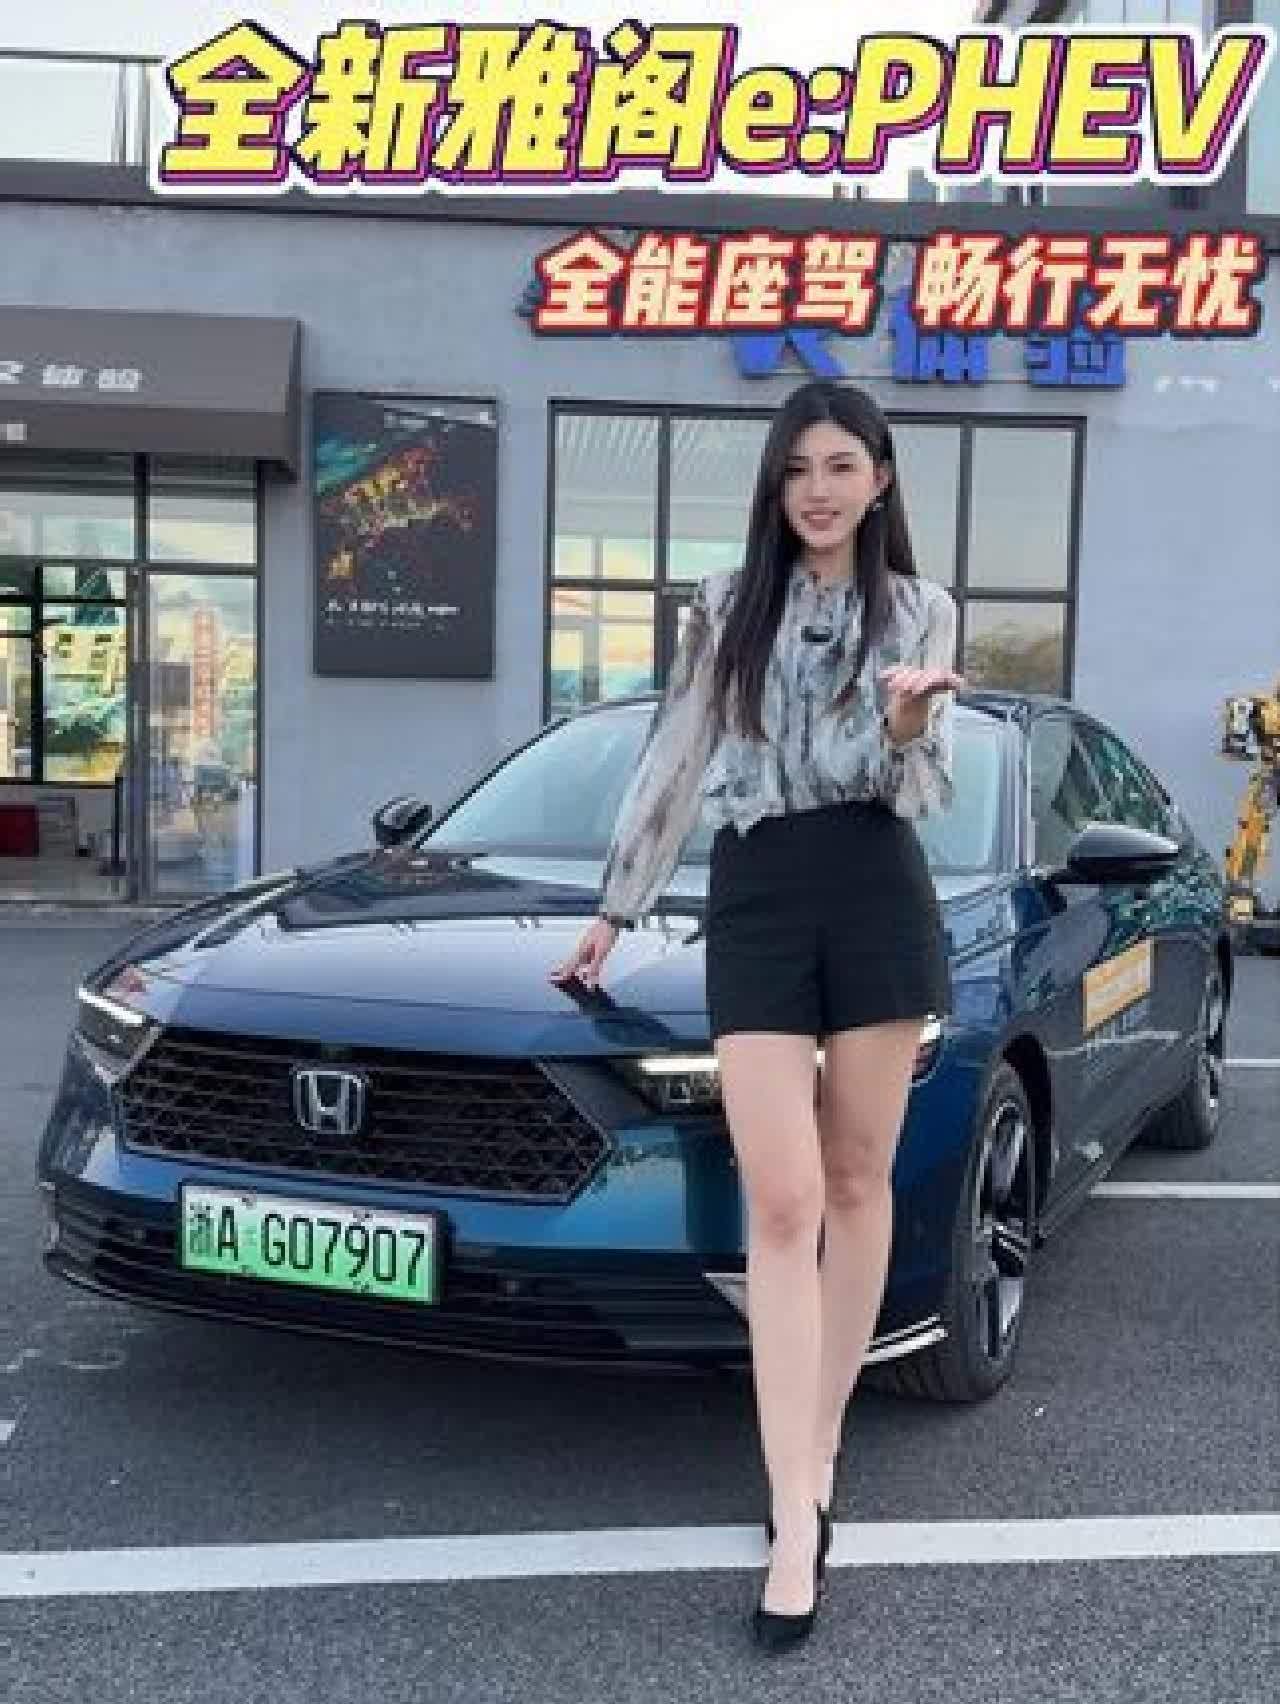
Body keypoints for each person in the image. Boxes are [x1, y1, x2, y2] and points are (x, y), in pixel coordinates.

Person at [548, 379, 964, 1653]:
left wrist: (903, 723)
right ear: (774, 488)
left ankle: (818, 1446)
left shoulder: (920, 609)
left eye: (839, 466)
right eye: (796, 470)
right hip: (758, 895)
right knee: (779, 1203)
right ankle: (794, 1509)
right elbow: (674, 754)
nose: (816, 490)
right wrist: (616, 904)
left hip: (876, 885)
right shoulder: (726, 606)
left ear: (879, 480)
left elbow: (922, 789)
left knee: (855, 1178)